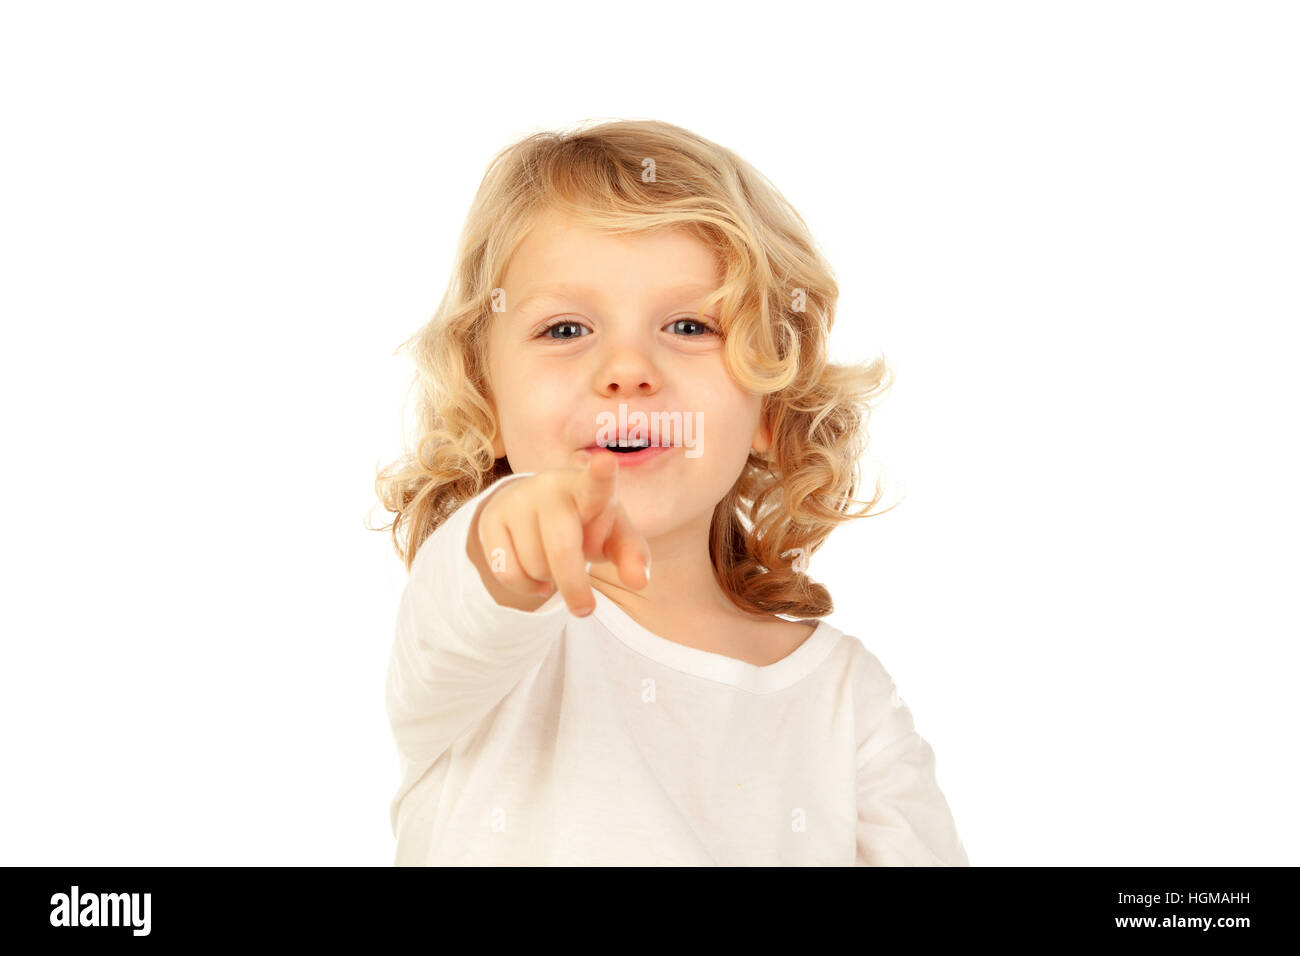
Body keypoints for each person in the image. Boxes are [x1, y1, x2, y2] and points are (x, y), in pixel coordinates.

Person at [373, 119, 970, 866]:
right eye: (564, 329)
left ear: (771, 401)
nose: (628, 367)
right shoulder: (492, 642)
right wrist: (510, 533)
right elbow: (466, 592)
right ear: (486, 399)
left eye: (689, 325)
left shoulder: (848, 702)